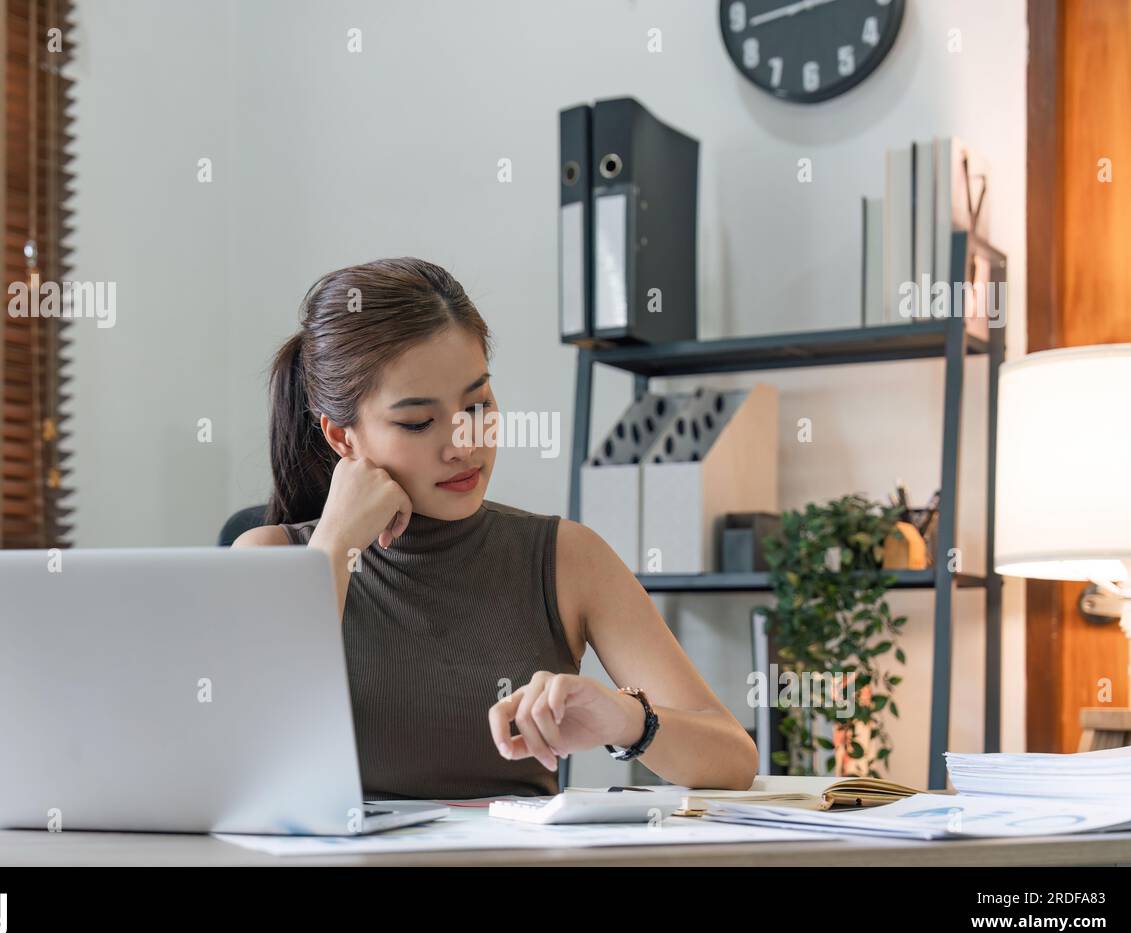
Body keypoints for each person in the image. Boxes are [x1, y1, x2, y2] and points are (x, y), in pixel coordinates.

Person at [234, 256, 757, 800]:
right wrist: (334, 546)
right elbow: (249, 764)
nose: (464, 444)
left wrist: (626, 718)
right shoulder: (270, 556)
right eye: (418, 422)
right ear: (342, 438)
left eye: (478, 404)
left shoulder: (566, 558)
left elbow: (733, 760)